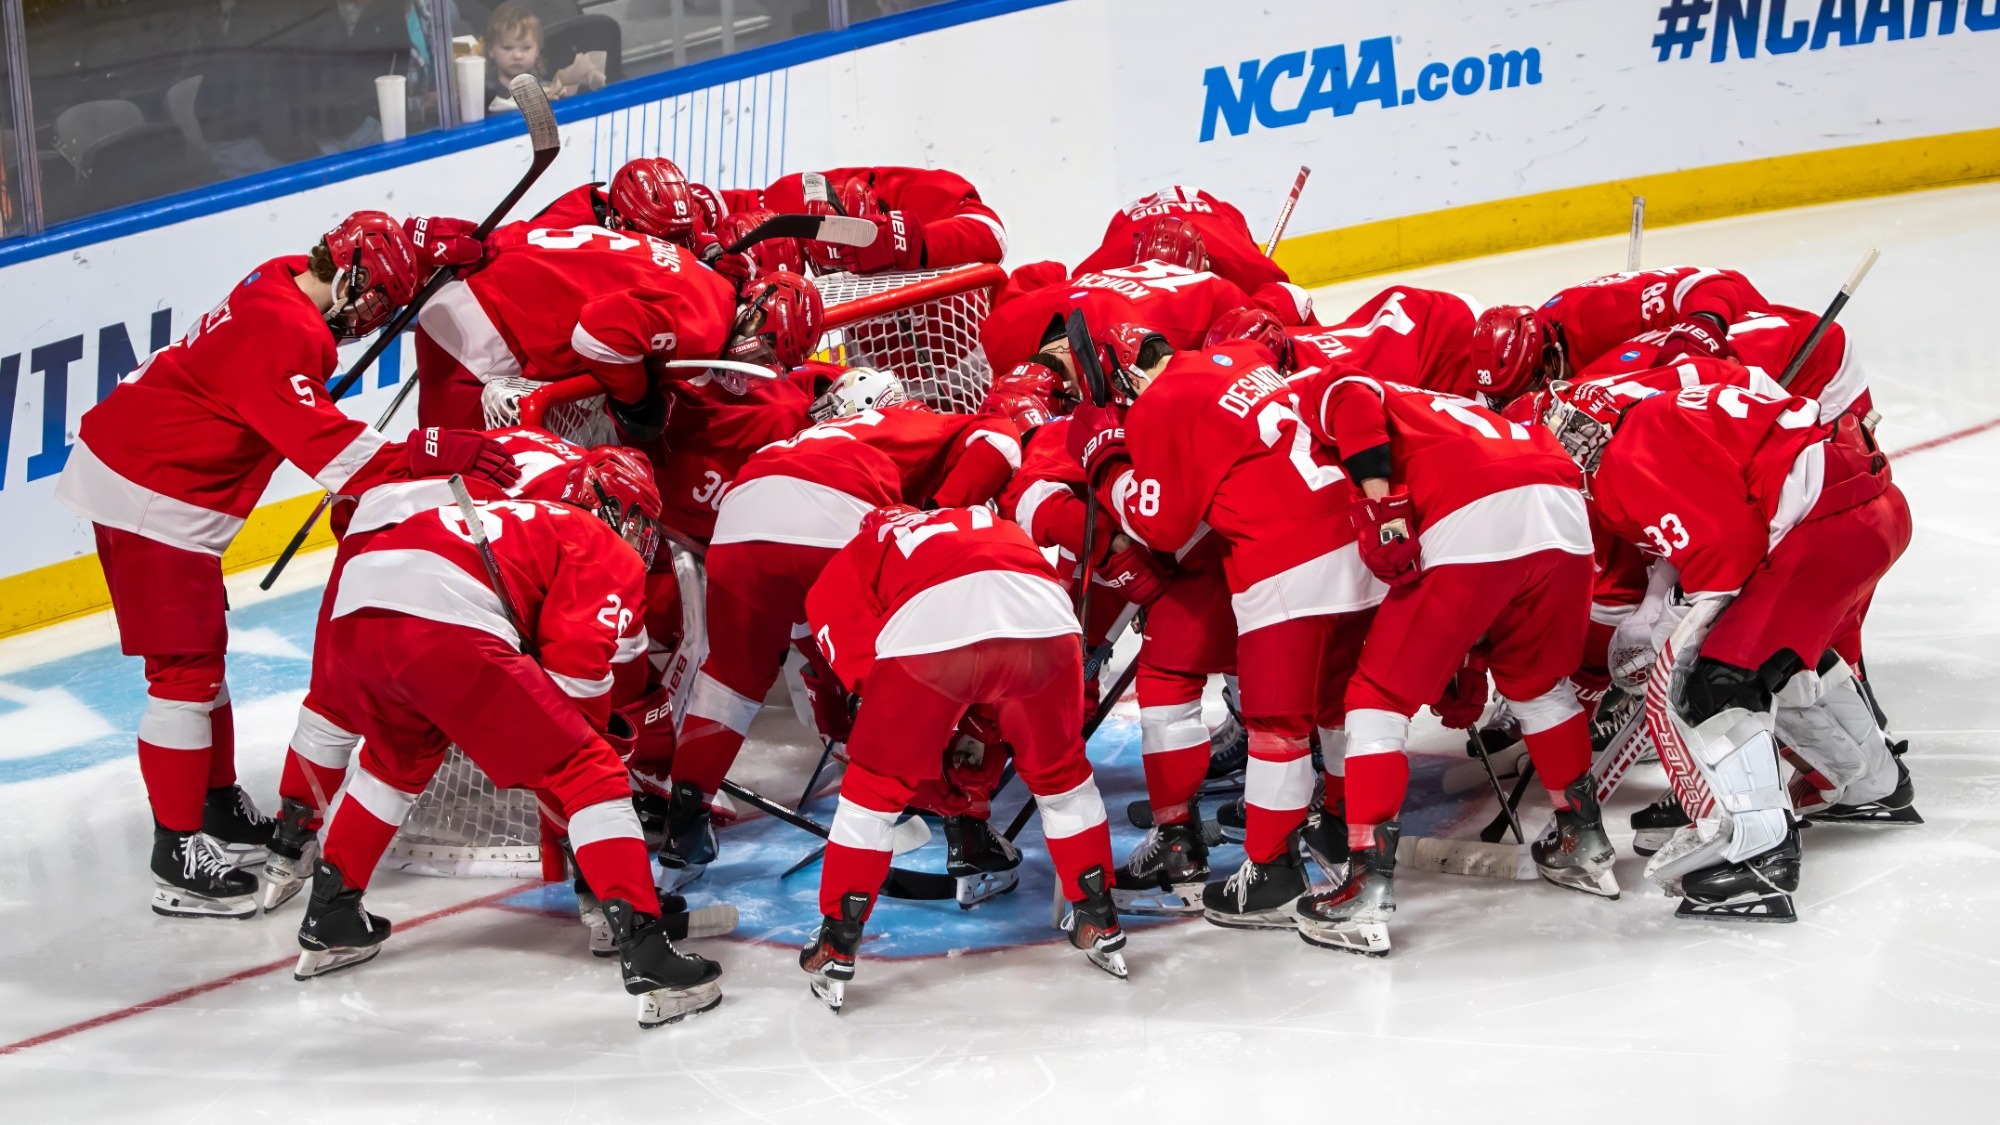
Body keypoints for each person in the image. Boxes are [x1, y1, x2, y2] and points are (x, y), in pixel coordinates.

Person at [52, 210, 509, 919]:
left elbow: (360, 270)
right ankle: (176, 854)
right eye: (374, 300)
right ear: (349, 275)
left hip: (157, 477)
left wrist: (424, 244)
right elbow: (340, 460)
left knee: (204, 662)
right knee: (182, 674)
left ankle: (214, 803)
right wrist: (432, 449)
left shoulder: (281, 276)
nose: (369, 320)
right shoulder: (285, 334)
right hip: (152, 491)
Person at [293, 446, 726, 1028]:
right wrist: (595, 740)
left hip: (353, 618)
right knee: (590, 772)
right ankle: (645, 949)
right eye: (642, 521)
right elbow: (575, 677)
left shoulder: (521, 516)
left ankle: (331, 919)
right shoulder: (601, 545)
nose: (645, 537)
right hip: (438, 621)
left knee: (393, 764)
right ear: (621, 512)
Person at [1540, 363, 1914, 921]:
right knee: (1785, 659)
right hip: (1872, 511)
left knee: (1716, 685)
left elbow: (1727, 551)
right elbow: (1702, 519)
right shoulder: (1659, 413)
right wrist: (1656, 606)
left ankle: (1757, 857)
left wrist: (1676, 631)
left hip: (1824, 533)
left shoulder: (1621, 463)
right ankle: (1873, 784)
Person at [1067, 326, 1383, 928]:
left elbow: (1157, 526)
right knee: (1339, 707)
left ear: (1126, 369)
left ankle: (1271, 872)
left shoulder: (1160, 403)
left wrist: (1105, 460)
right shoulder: (1242, 357)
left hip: (1283, 565)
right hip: (1355, 545)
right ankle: (1341, 832)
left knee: (1277, 729)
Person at [1282, 369, 1605, 954]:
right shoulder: (1444, 406)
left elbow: (1353, 399)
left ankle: (1364, 887)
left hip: (1476, 509)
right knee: (1537, 684)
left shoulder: (1333, 382)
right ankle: (1583, 839)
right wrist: (1468, 661)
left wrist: (1380, 508)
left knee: (1377, 697)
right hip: (1561, 509)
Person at [658, 370, 1022, 889]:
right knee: (920, 673)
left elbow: (818, 631)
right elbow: (1000, 438)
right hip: (834, 513)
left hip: (739, 520)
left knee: (730, 683)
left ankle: (683, 832)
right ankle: (969, 837)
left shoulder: (798, 438)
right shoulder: (900, 421)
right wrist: (940, 514)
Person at [798, 504, 1125, 1009]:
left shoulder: (867, 545)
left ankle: (838, 941)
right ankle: (1098, 914)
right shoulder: (987, 520)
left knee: (873, 792)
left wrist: (914, 734)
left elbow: (857, 659)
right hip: (1046, 620)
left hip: (935, 627)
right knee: (1063, 780)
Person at [409, 223, 749, 436]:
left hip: (488, 294)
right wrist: (637, 398)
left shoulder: (697, 272)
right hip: (471, 340)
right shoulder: (706, 331)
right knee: (455, 494)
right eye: (765, 354)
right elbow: (597, 335)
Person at [1473, 266, 1773, 402]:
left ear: (1550, 357)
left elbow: (1711, 282)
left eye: (1529, 387)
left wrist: (1701, 331)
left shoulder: (1592, 314)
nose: (1520, 402)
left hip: (1745, 325)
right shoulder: (1543, 365)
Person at [761, 166, 1008, 274]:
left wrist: (900, 240)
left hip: (967, 348)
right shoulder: (801, 213)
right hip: (873, 362)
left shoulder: (910, 192)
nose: (841, 272)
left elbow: (992, 233)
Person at [1074, 186, 1292, 294]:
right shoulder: (1108, 265)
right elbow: (1070, 299)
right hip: (1129, 222)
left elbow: (1285, 297)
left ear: (1206, 265)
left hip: (1215, 217)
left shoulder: (1237, 259)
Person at [495, 157, 707, 253]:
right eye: (660, 240)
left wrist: (710, 247)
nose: (671, 249)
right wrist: (482, 249)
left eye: (677, 239)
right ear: (618, 221)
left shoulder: (678, 220)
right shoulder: (571, 224)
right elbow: (511, 243)